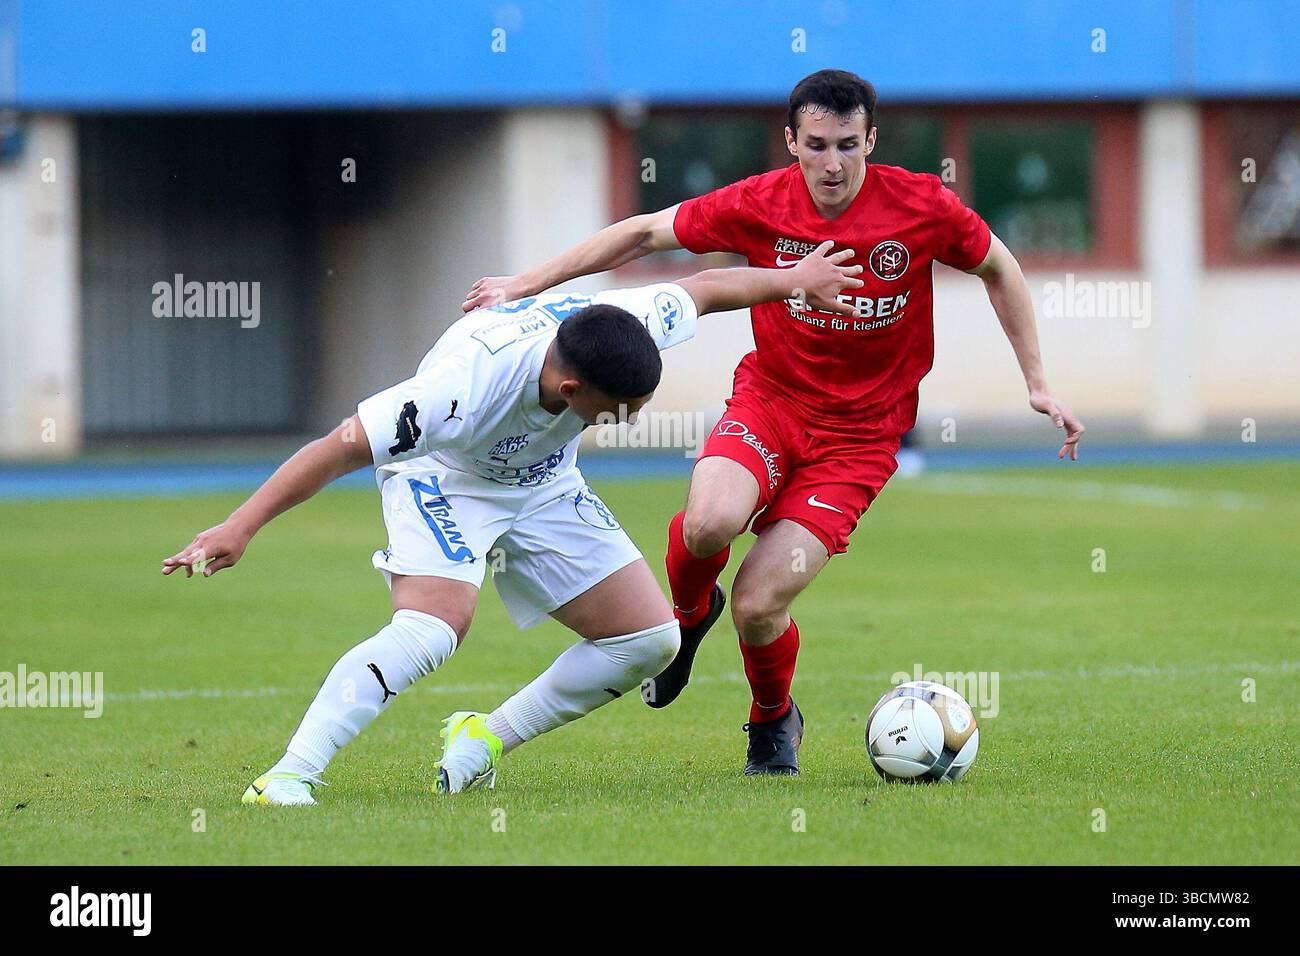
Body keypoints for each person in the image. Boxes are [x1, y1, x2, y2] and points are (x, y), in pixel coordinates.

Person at [461, 69, 1085, 776]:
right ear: (791, 141)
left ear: (871, 140)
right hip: (773, 402)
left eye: (848, 145)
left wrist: (1036, 382)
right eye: (816, 144)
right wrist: (523, 283)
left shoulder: (922, 205)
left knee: (760, 603)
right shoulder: (761, 203)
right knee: (706, 524)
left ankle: (770, 721)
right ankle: (690, 616)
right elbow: (642, 233)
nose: (832, 163)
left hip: (860, 441)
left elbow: (1000, 267)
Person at [162, 245, 862, 803]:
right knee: (433, 629)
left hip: (543, 481)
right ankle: (287, 776)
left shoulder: (616, 323)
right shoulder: (458, 392)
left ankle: (481, 740)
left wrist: (794, 278)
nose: (632, 418)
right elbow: (340, 446)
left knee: (651, 641)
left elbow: (707, 290)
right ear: (570, 391)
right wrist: (240, 526)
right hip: (445, 476)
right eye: (623, 407)